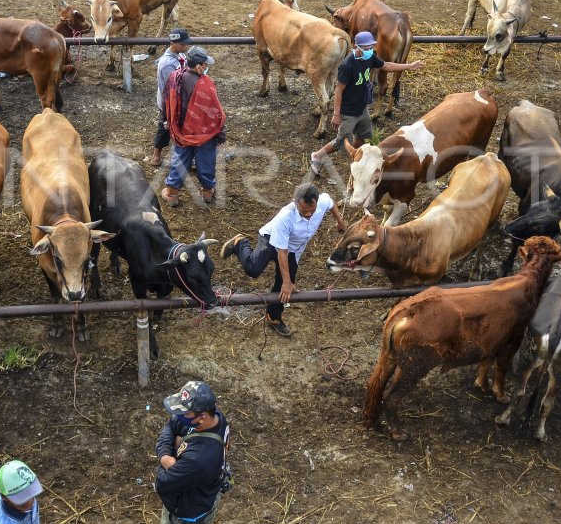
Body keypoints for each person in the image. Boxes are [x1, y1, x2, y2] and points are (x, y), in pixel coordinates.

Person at [219, 183, 346, 337]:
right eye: (303, 211)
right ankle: (240, 243)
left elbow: (331, 202)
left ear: (316, 202)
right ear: (296, 203)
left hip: (292, 249)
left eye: (311, 211)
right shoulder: (285, 217)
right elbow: (282, 252)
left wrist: (340, 221)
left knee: (284, 288)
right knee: (253, 269)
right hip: (271, 240)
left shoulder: (322, 201)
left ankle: (273, 316)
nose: (308, 214)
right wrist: (287, 281)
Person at [310, 31, 425, 171]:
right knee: (341, 141)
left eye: (371, 47)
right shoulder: (347, 65)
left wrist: (410, 66)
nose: (369, 50)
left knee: (361, 136)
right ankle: (317, 155)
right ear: (356, 47)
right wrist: (336, 114)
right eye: (365, 48)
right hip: (349, 111)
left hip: (362, 107)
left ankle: (358, 161)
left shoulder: (370, 57)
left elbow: (386, 66)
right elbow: (338, 90)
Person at [154, 380, 230, 524]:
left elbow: (162, 483)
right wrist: (166, 456)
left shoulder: (199, 459)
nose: (179, 415)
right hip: (205, 502)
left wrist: (168, 459)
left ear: (202, 416)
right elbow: (171, 424)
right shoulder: (216, 417)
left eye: (184, 412)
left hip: (184, 519)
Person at [162, 46, 226, 208]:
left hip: (181, 130)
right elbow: (214, 112)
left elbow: (166, 101)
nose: (206, 67)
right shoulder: (205, 84)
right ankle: (207, 191)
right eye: (205, 64)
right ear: (198, 66)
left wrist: (166, 121)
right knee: (206, 159)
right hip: (203, 132)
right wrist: (221, 133)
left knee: (180, 159)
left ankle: (172, 194)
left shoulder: (174, 77)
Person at [151, 28, 193, 168]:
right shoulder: (167, 64)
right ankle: (158, 157)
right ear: (173, 43)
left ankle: (157, 157)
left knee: (166, 126)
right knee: (167, 126)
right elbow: (174, 86)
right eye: (183, 44)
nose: (186, 47)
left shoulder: (180, 54)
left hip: (174, 100)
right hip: (169, 101)